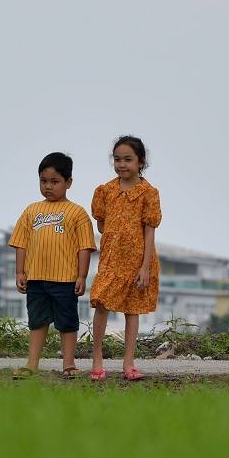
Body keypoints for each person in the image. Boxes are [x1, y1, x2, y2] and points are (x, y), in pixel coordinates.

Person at [7, 152, 97, 379]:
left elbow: (84, 247)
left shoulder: (77, 213)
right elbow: (21, 243)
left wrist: (82, 276)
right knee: (37, 321)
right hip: (36, 278)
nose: (48, 186)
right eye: (43, 181)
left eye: (54, 182)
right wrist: (19, 271)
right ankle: (32, 364)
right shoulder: (31, 211)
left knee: (67, 322)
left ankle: (68, 364)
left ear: (68, 182)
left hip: (65, 279)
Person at [88, 135, 162, 382]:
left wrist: (145, 267)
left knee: (133, 310)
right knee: (101, 304)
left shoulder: (148, 193)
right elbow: (100, 223)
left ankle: (128, 364)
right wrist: (116, 233)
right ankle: (97, 359)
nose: (122, 165)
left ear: (140, 162)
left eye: (128, 160)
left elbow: (149, 230)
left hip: (138, 262)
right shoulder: (105, 191)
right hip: (111, 260)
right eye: (117, 159)